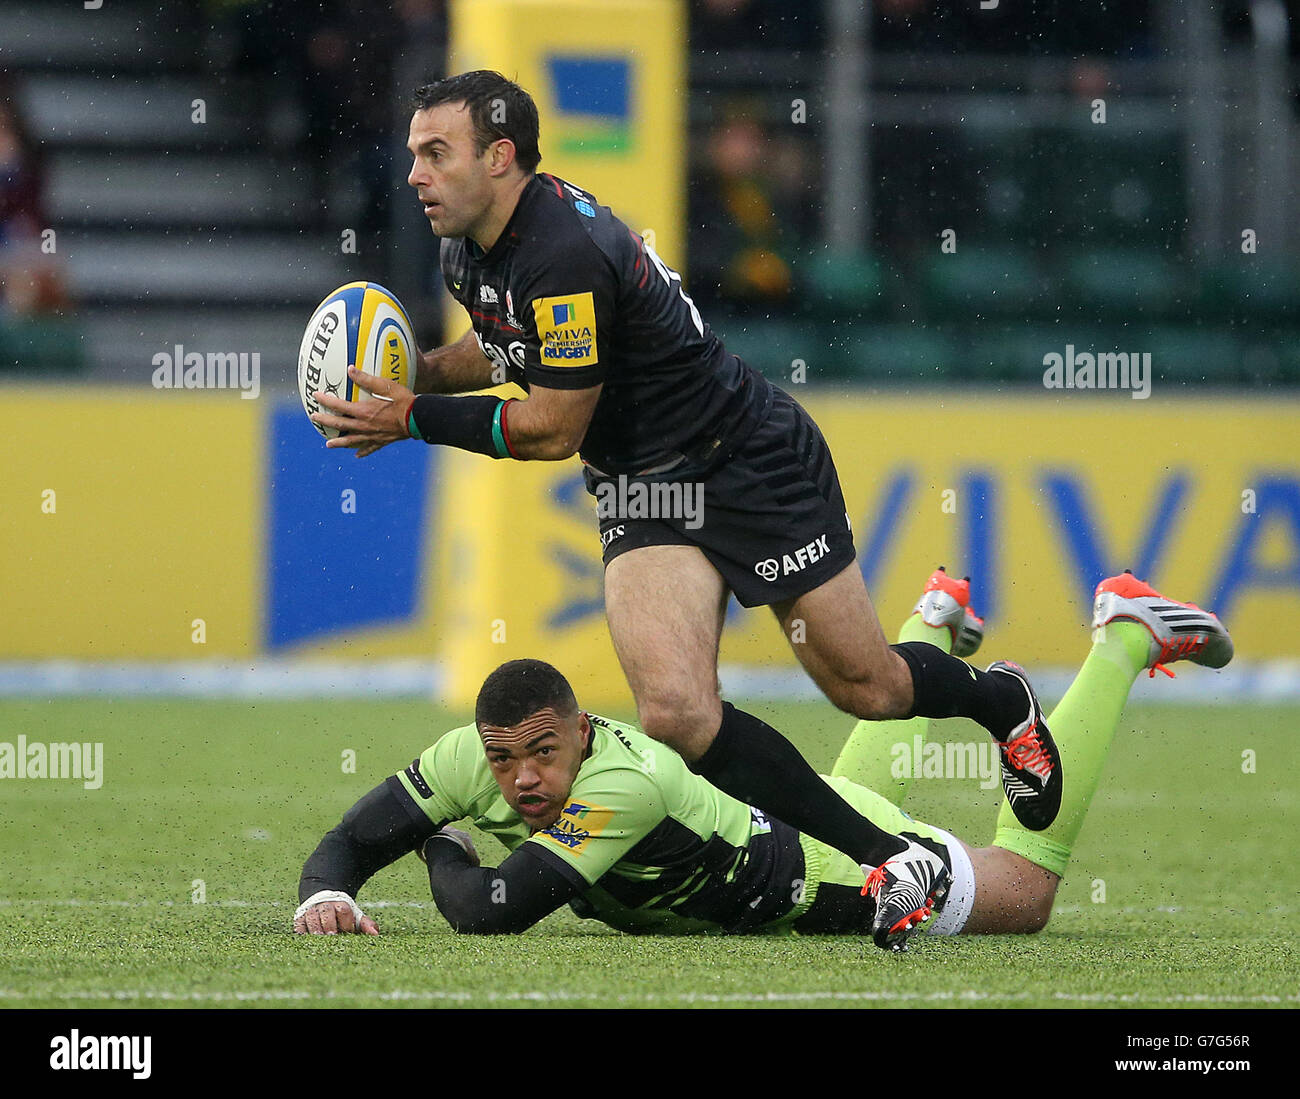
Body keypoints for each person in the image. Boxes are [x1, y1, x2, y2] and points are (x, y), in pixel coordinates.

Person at [308, 69, 1062, 942]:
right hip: (644, 487)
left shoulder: (561, 250)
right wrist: (424, 370)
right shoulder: (468, 245)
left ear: (501, 156)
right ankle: (890, 857)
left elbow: (553, 427)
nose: (415, 175)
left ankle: (1001, 702)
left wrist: (410, 417)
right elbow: (502, 340)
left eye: (436, 153)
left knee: (869, 685)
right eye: (413, 155)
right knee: (675, 712)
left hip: (747, 462)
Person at [294, 570, 1232, 951]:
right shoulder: (479, 751)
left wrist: (443, 843)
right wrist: (323, 893)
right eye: (505, 761)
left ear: (581, 731)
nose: (524, 777)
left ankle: (1123, 638)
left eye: (546, 752)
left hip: (807, 875)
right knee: (854, 789)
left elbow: (490, 913)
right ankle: (931, 624)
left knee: (1026, 892)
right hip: (781, 820)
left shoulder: (617, 782)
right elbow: (347, 838)